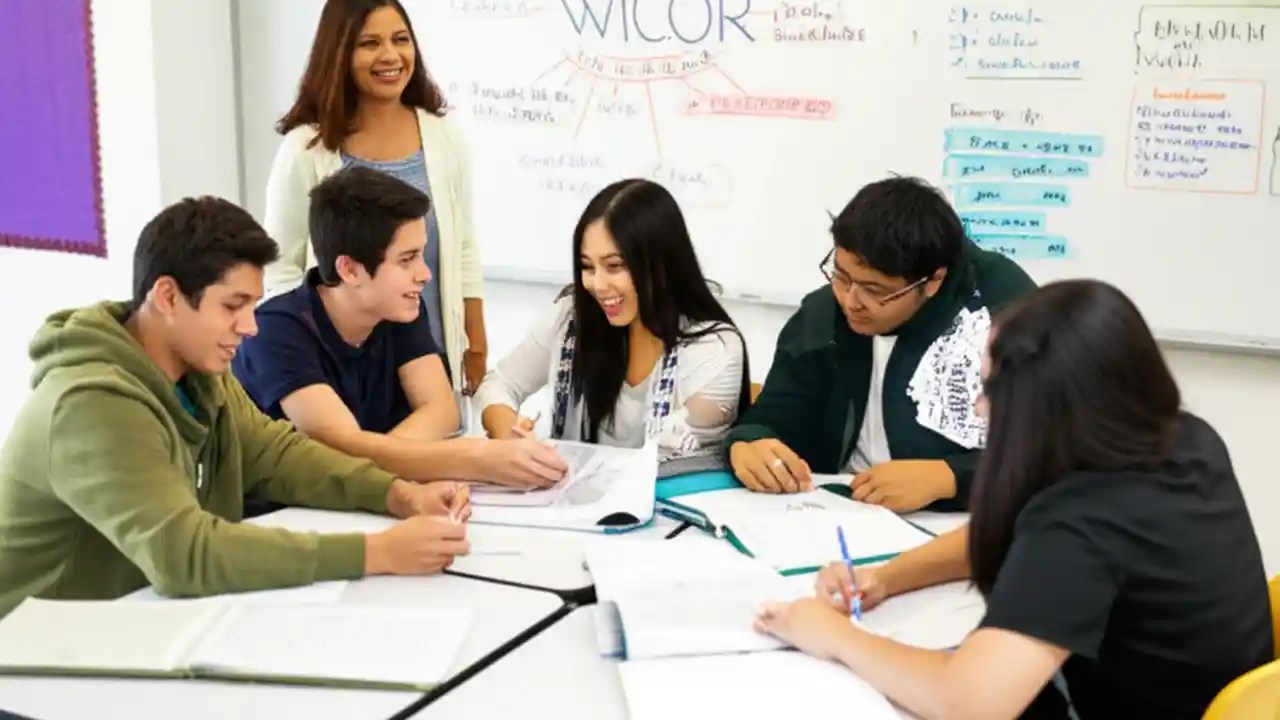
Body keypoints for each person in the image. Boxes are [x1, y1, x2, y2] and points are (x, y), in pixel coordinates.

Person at [755, 280, 1273, 719]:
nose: (980, 409)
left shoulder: (1083, 521)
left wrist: (832, 636)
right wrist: (885, 578)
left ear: (1044, 404)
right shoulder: (1182, 439)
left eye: (989, 388)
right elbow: (1009, 532)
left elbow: (970, 702)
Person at [0, 197, 475, 619]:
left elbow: (279, 455)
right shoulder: (91, 403)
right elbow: (184, 555)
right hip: (38, 672)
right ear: (167, 296)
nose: (250, 327)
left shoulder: (200, 376)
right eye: (233, 306)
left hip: (133, 630)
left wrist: (398, 494)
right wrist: (378, 553)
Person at [234, 166, 567, 488]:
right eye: (407, 260)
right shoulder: (275, 332)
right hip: (277, 518)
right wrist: (478, 458)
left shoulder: (398, 310)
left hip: (360, 501)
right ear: (349, 270)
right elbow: (341, 449)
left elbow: (441, 410)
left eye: (421, 256)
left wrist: (385, 462)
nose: (425, 274)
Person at [725, 176, 1036, 511]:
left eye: (875, 291)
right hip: (841, 508)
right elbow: (776, 414)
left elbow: (1050, 447)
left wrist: (950, 478)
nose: (850, 301)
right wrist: (750, 440)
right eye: (841, 276)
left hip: (963, 520)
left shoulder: (1005, 313)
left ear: (933, 281)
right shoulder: (823, 314)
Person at [263, 0, 487, 399]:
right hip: (341, 371)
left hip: (431, 363)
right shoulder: (306, 149)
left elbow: (464, 247)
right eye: (369, 43)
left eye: (401, 40)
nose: (390, 56)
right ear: (340, 54)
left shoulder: (444, 138)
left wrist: (477, 341)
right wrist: (301, 361)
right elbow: (281, 271)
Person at [474, 179, 749, 463]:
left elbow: (667, 461)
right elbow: (499, 383)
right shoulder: (570, 319)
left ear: (661, 263)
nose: (598, 285)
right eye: (587, 267)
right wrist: (510, 437)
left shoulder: (714, 350)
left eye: (614, 266)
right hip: (574, 500)